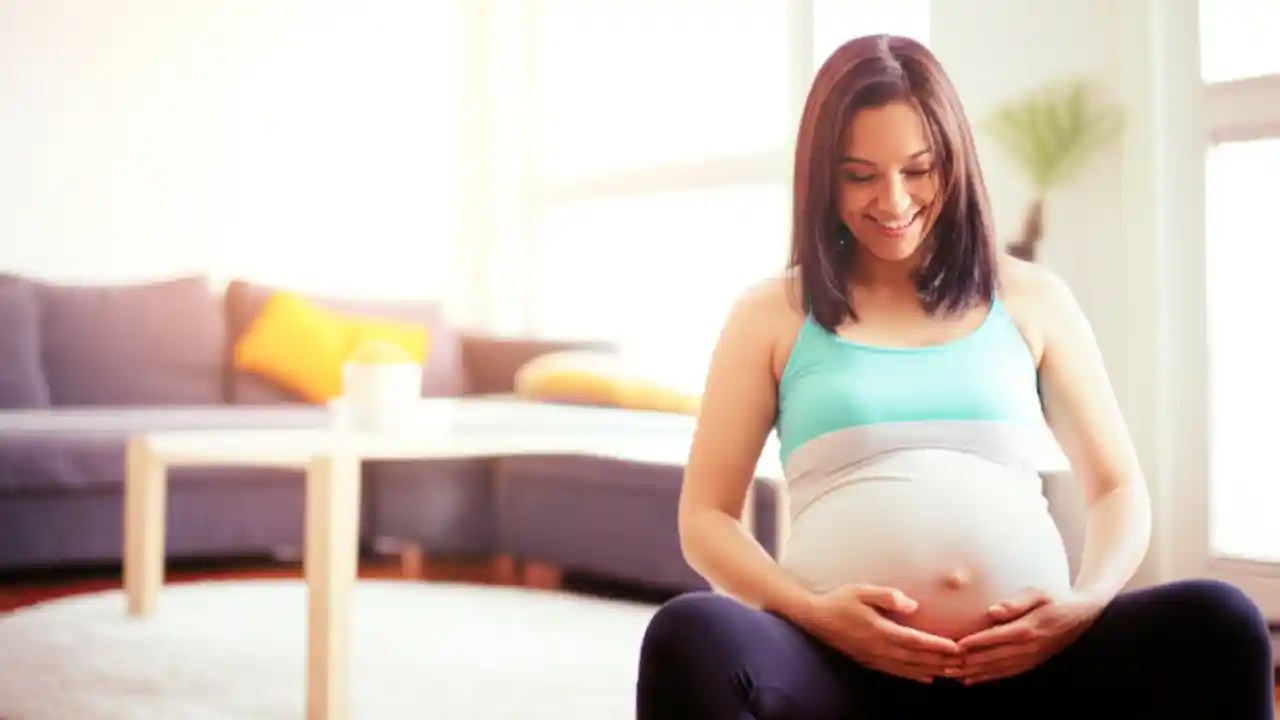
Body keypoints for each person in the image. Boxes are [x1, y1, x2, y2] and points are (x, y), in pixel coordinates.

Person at [635, 34, 1274, 719]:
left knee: (1222, 621)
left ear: (955, 161)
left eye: (919, 169)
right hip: (838, 670)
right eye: (859, 175)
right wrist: (813, 612)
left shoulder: (1030, 298)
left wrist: (1082, 606)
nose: (893, 200)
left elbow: (1118, 487)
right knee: (688, 634)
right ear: (822, 177)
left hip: (1033, 672)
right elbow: (705, 517)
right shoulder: (773, 313)